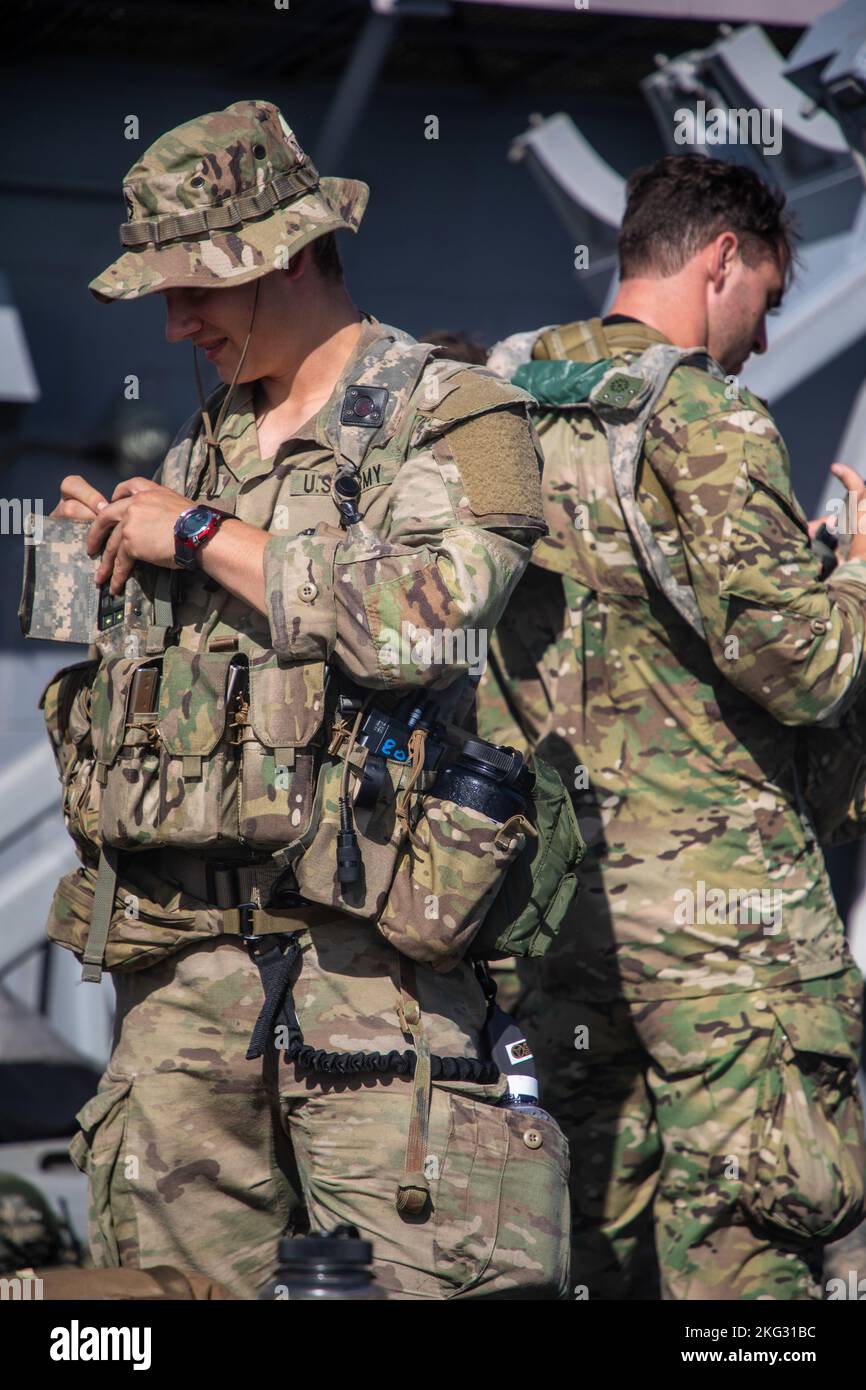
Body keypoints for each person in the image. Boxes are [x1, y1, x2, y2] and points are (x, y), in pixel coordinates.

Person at [37, 99, 570, 1300]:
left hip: (365, 982)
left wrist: (207, 536)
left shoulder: (455, 413)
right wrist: (124, 558)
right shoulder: (207, 440)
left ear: (280, 258)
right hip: (180, 980)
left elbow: (428, 610)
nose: (175, 324)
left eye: (194, 293)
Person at [478, 153, 866, 1300]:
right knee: (748, 1257)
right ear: (721, 258)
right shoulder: (708, 415)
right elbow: (803, 669)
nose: (757, 336)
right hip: (722, 936)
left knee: (590, 1246)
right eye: (766, 300)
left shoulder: (497, 402)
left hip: (555, 918)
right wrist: (852, 570)